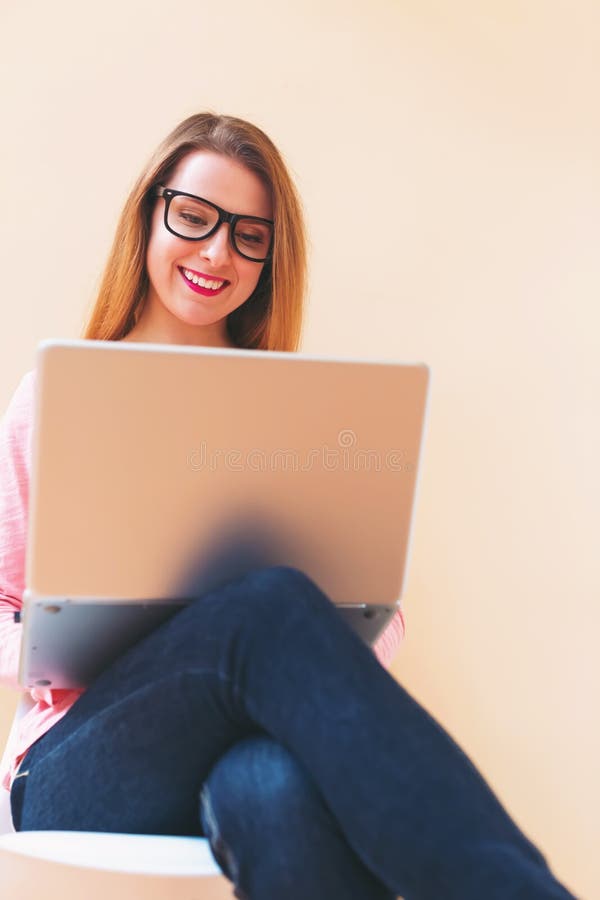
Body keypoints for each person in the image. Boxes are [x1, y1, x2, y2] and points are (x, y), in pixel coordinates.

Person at [0, 113, 575, 900]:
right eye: (195, 220)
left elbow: (377, 610)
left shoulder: (294, 418)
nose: (216, 254)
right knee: (265, 606)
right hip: (78, 764)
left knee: (274, 788)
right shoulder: (57, 396)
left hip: (245, 740)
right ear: (149, 216)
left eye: (248, 237)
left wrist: (322, 642)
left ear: (271, 259)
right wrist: (59, 637)